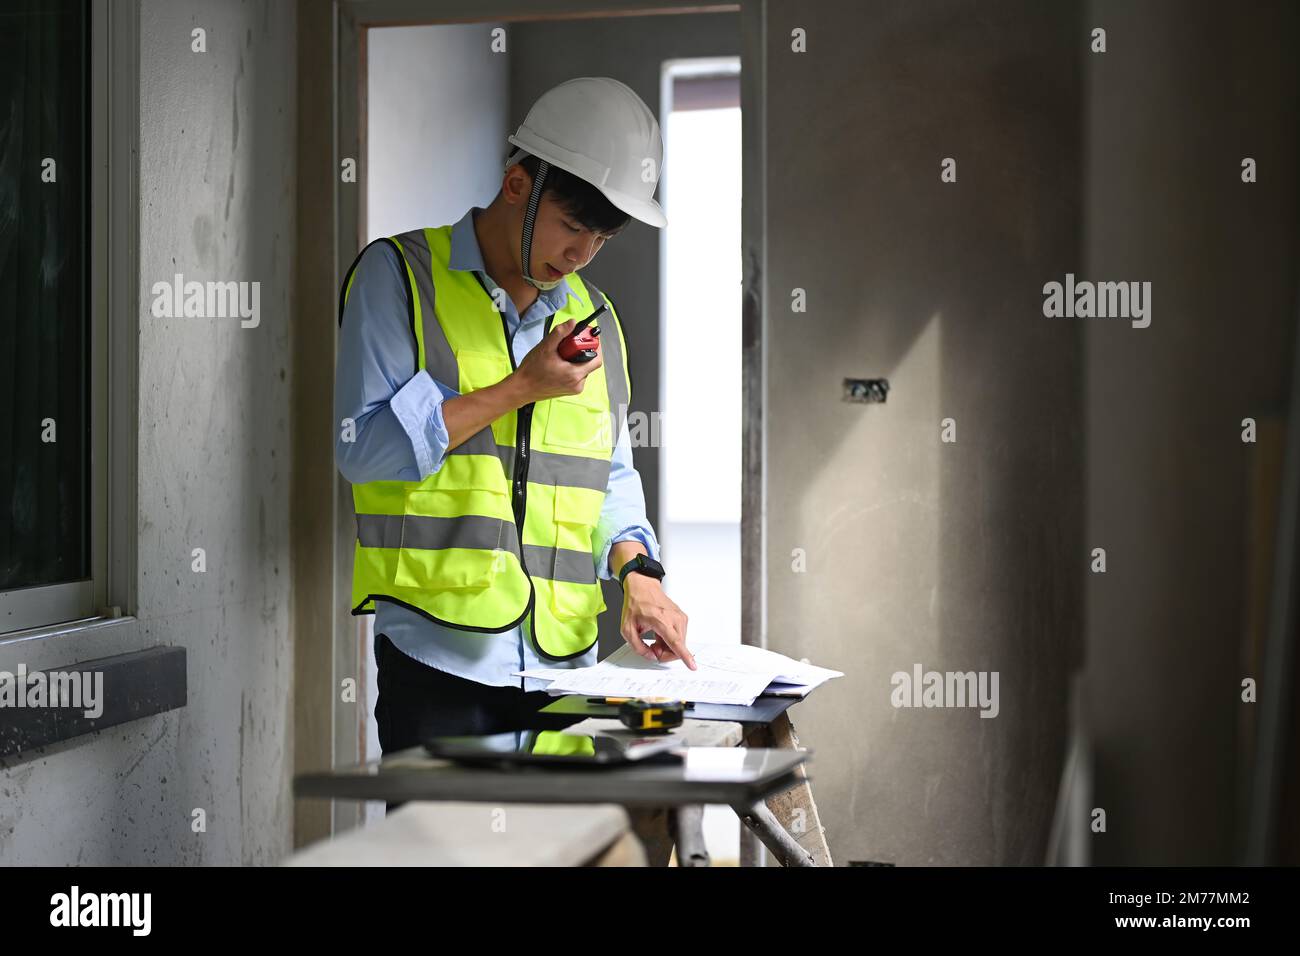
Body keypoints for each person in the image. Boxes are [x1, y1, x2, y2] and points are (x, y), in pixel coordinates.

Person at [334, 77, 694, 765]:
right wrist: (521, 387)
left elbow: (609, 474)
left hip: (564, 668)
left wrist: (640, 574)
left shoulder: (596, 317)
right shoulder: (400, 277)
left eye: (602, 236)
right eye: (572, 225)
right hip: (441, 661)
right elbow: (363, 450)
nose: (582, 253)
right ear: (517, 185)